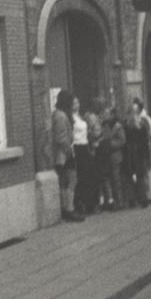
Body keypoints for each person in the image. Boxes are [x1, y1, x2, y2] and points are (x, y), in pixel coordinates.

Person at [51, 89, 83, 222]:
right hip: (64, 155)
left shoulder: (57, 114)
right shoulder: (61, 116)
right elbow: (61, 138)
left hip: (61, 155)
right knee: (72, 180)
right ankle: (69, 209)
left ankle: (66, 209)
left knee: (64, 181)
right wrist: (69, 151)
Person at [122, 102, 151, 208]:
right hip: (132, 153)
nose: (134, 114)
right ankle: (137, 199)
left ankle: (140, 199)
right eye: (133, 112)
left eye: (135, 112)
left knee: (138, 176)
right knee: (134, 176)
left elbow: (145, 141)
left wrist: (146, 155)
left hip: (137, 153)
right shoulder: (128, 125)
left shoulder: (139, 125)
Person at [97, 105, 125, 211]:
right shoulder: (104, 126)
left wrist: (109, 144)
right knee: (107, 180)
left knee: (116, 179)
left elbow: (122, 140)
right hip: (105, 156)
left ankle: (120, 201)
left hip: (115, 156)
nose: (105, 116)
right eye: (104, 114)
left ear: (112, 115)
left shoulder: (118, 126)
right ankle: (110, 201)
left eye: (107, 114)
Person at [71, 96, 95, 215]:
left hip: (85, 147)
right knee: (80, 177)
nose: (77, 104)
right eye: (74, 103)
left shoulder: (80, 117)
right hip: (78, 148)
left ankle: (89, 203)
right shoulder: (71, 118)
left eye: (78, 102)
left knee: (88, 176)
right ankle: (80, 204)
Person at [134, 98, 151, 203]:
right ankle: (149, 194)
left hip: (144, 147)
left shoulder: (143, 119)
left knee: (146, 171)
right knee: (147, 171)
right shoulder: (143, 117)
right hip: (145, 146)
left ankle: (149, 195)